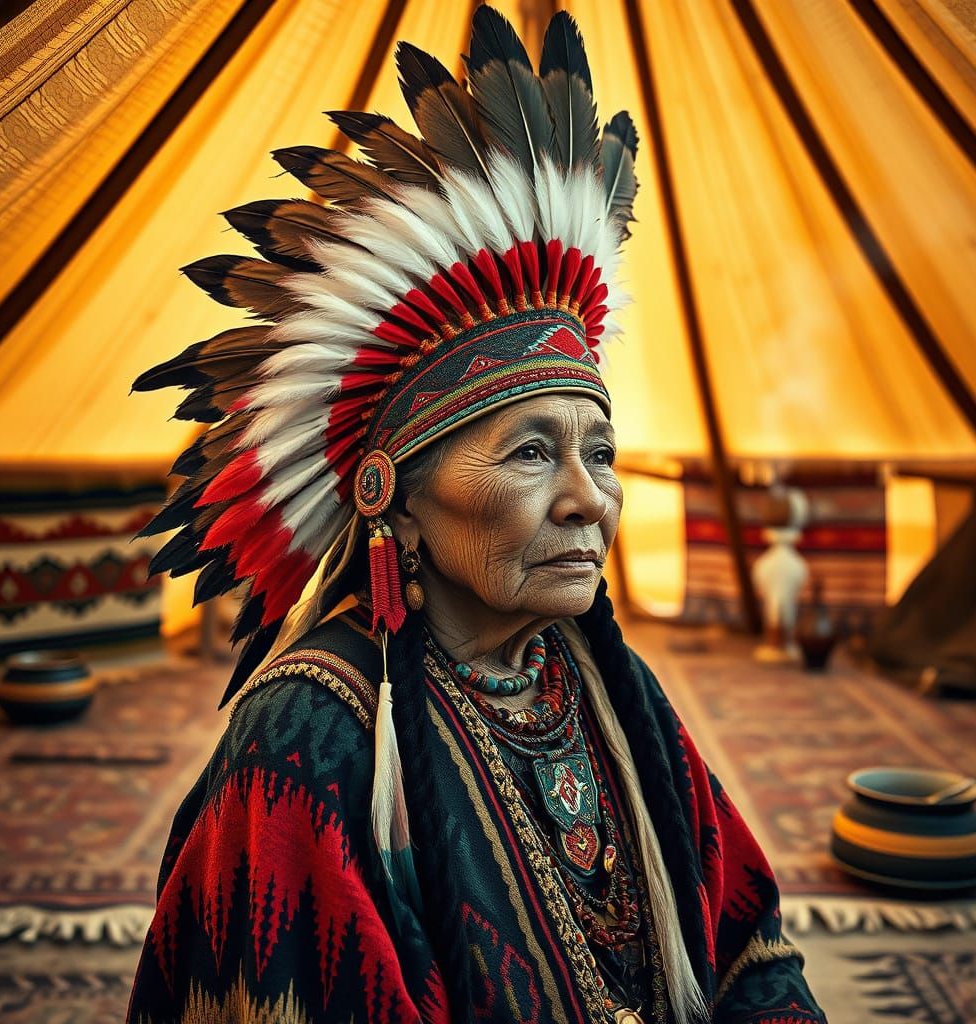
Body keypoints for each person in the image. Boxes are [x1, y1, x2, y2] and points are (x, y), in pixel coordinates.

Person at [127, 7, 826, 1023]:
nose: (588, 498)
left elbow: (749, 949)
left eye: (599, 453)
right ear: (394, 501)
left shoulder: (607, 686)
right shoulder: (307, 746)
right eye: (532, 452)